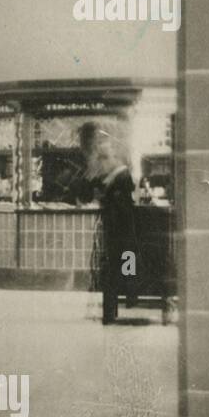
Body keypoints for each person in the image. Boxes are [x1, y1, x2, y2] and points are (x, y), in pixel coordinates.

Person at [76, 123, 139, 324]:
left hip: (120, 230)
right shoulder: (111, 175)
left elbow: (118, 202)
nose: (102, 161)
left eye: (106, 156)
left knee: (119, 266)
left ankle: (124, 298)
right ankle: (122, 299)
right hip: (117, 230)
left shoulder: (121, 175)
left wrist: (103, 196)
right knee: (117, 267)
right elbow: (87, 191)